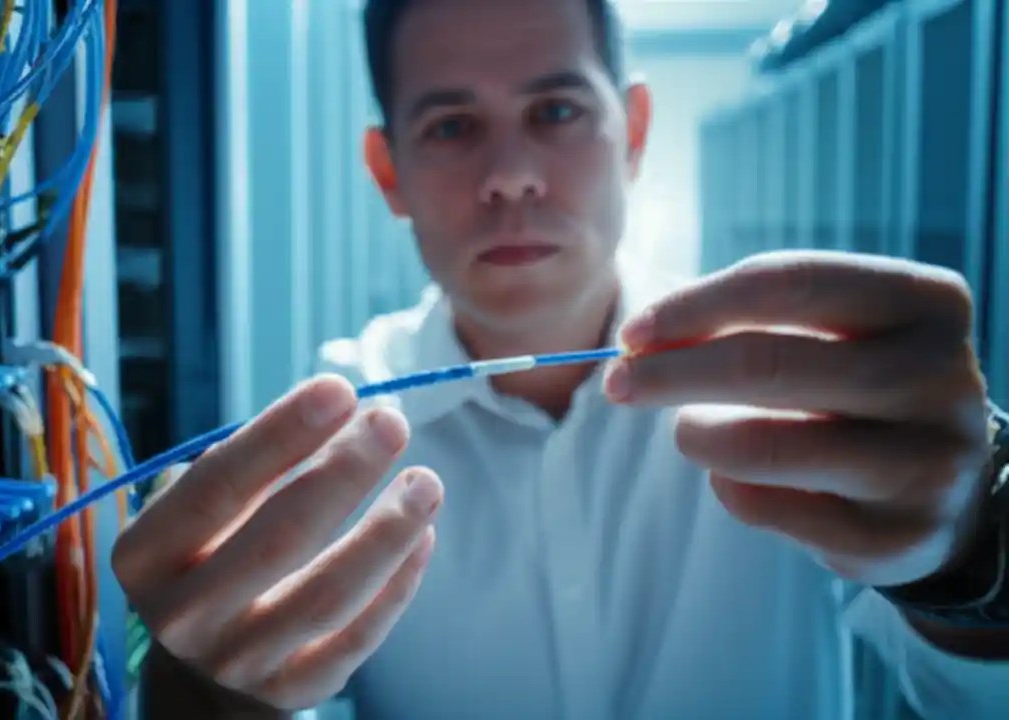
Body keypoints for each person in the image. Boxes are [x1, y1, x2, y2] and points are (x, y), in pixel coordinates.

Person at [113, 0, 1009, 717]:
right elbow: (262, 680)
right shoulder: (338, 441)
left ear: (636, 131)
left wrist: (976, 547)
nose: (510, 174)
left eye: (556, 110)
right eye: (453, 126)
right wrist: (200, 694)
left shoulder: (793, 387)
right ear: (388, 173)